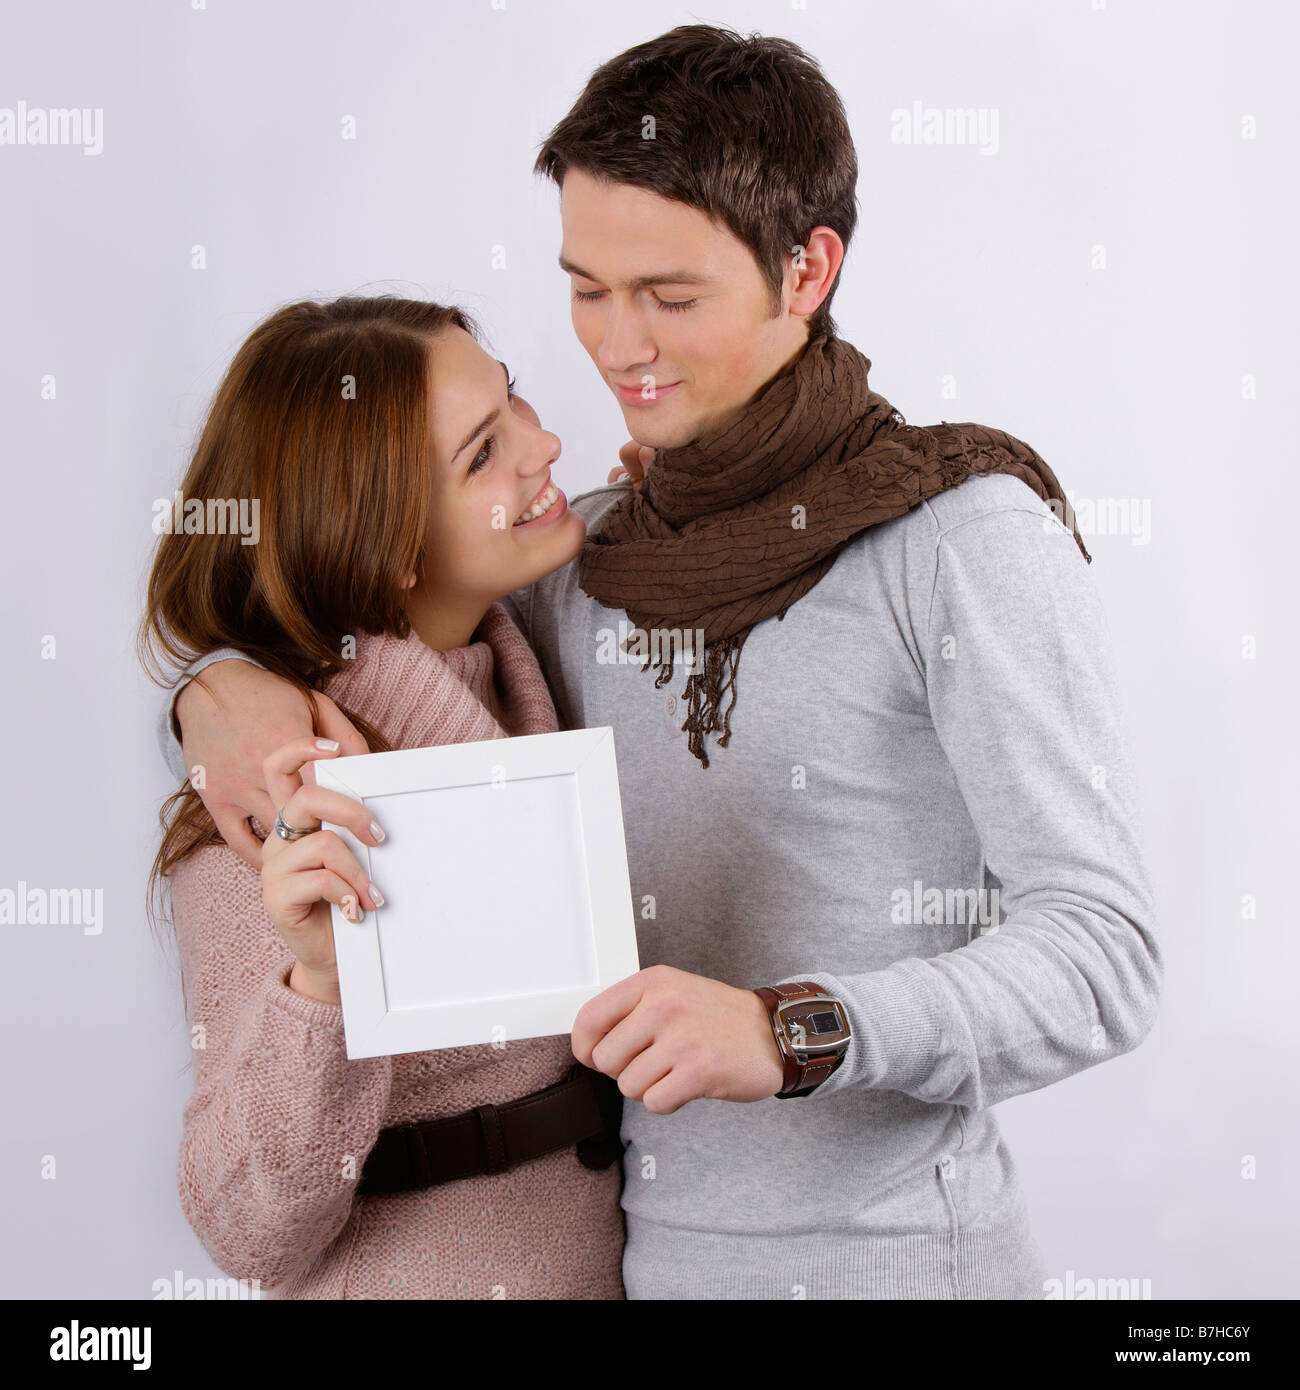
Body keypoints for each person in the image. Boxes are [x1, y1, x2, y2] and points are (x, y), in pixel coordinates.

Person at [155, 25, 1161, 1299]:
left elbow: (1105, 951)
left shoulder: (958, 537)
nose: (615, 349)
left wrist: (793, 1029)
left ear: (809, 269)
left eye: (669, 296)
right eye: (585, 286)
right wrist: (212, 694)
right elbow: (380, 614)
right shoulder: (589, 567)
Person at [140, 295, 628, 1299]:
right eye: (483, 454)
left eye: (517, 403)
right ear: (390, 546)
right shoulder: (269, 797)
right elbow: (241, 1228)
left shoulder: (529, 655)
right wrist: (321, 988)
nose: (547, 444)